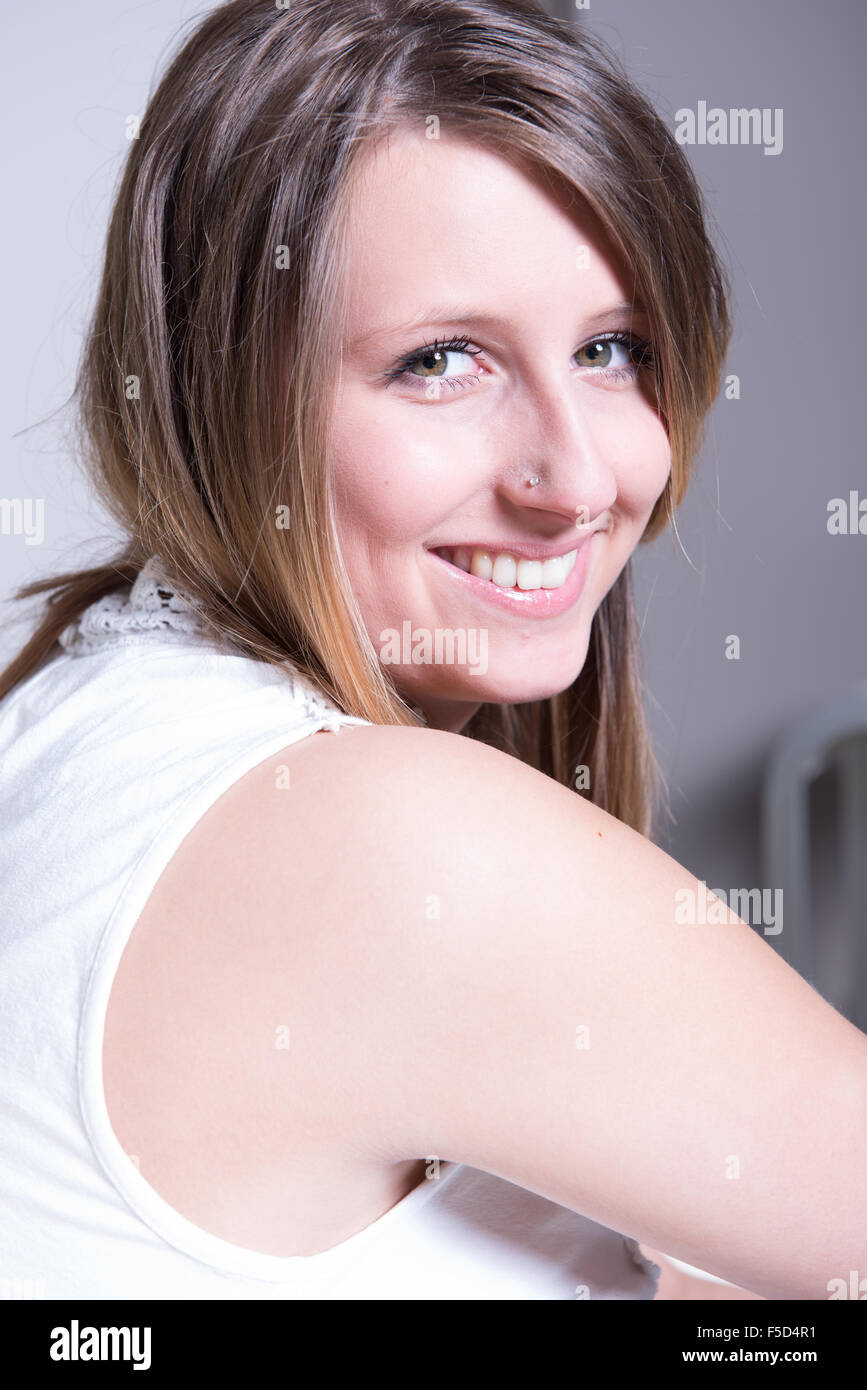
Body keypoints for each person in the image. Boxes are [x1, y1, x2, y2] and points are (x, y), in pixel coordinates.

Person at [1, 0, 864, 1302]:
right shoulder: (370, 830)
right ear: (222, 386)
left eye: (613, 348)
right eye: (442, 360)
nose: (574, 478)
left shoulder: (79, 708)